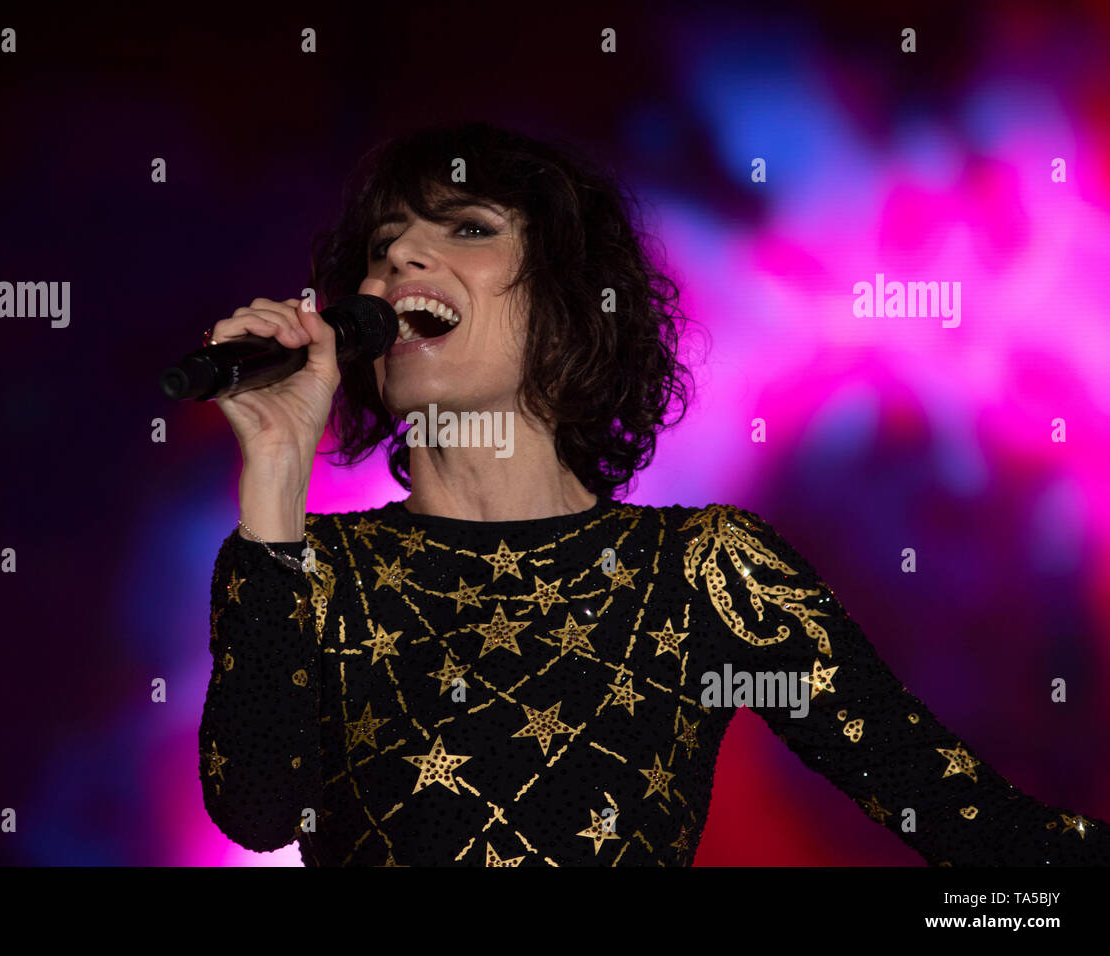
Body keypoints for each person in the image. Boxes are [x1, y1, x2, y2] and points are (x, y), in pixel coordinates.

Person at [197, 121, 1107, 866]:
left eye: (466, 228)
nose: (396, 263)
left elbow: (974, 827)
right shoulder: (307, 570)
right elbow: (259, 810)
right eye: (382, 248)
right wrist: (276, 469)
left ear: (569, 304)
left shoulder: (706, 570)